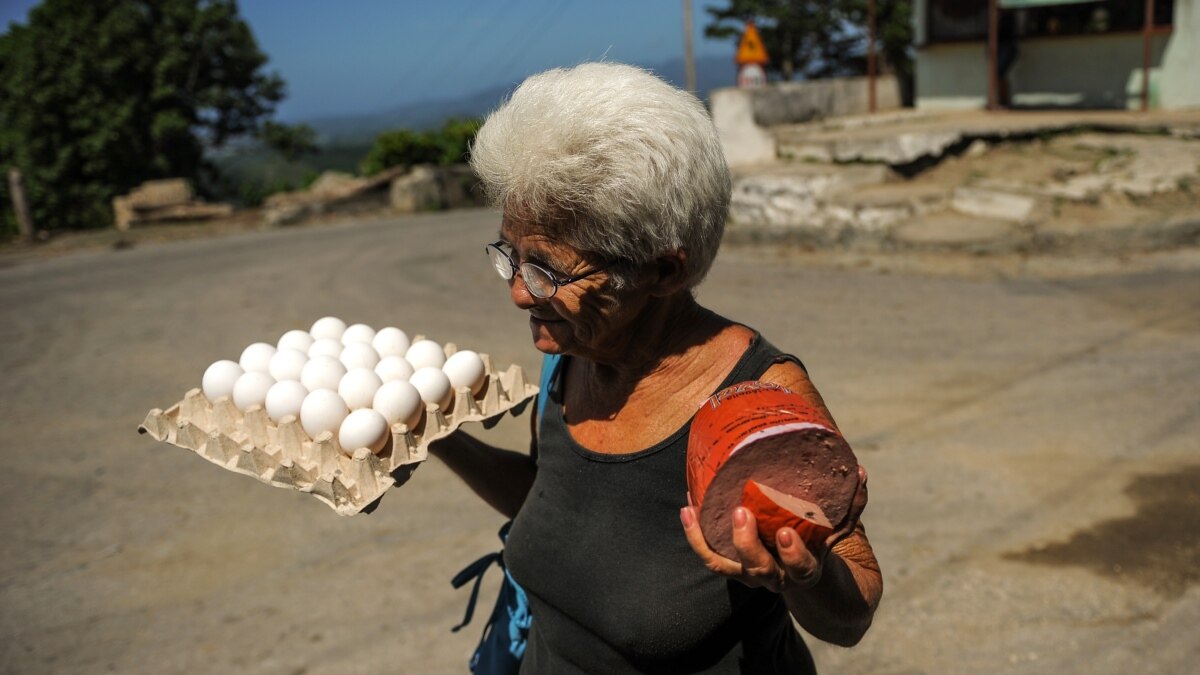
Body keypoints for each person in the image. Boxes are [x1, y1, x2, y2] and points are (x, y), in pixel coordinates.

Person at [429, 62, 882, 674]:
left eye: (546, 270)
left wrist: (804, 576)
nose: (517, 291)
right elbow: (554, 504)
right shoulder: (570, 363)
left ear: (666, 272)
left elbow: (850, 614)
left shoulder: (758, 400)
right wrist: (438, 439)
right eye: (510, 255)